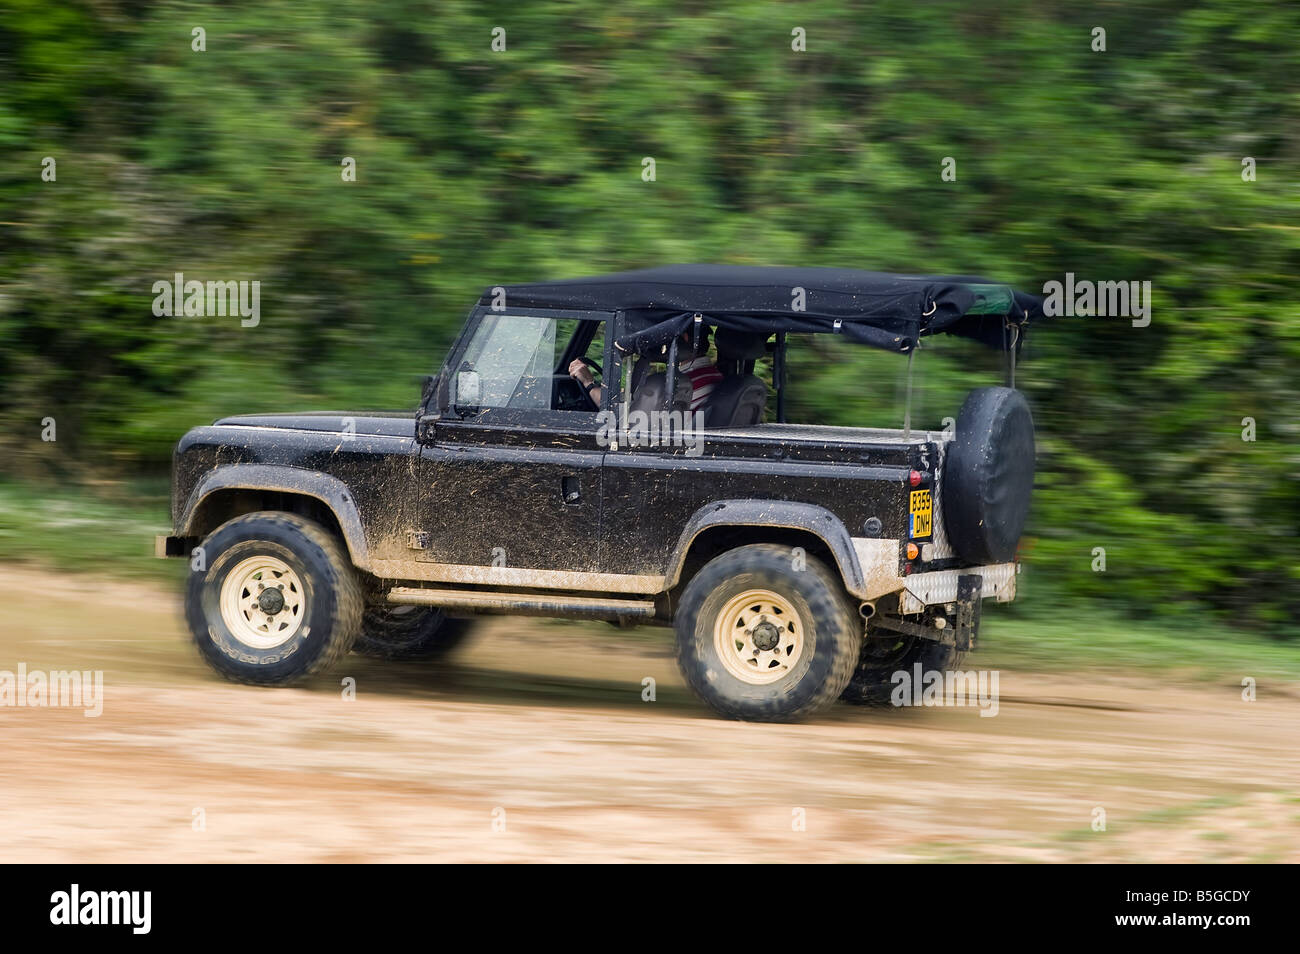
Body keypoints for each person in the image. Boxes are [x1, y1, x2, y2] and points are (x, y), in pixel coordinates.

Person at [568, 327, 722, 410]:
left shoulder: (680, 385)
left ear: (684, 338)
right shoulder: (715, 377)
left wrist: (589, 383)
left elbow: (621, 417)